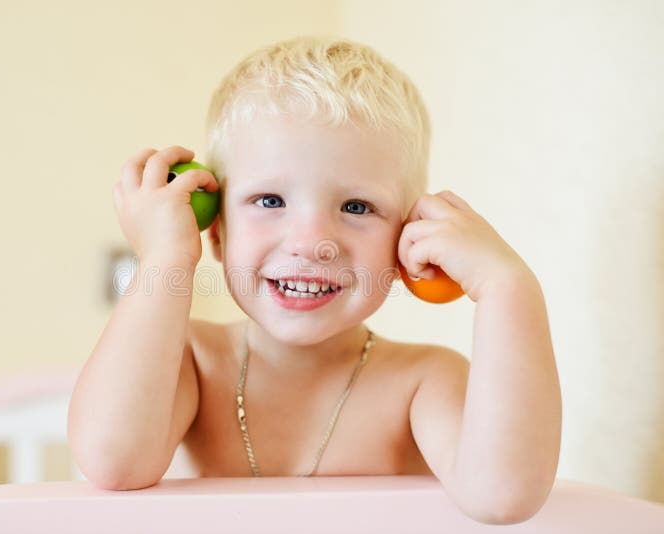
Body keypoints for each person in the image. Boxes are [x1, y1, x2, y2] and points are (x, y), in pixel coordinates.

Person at [67, 35, 562, 525]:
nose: (310, 242)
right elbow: (114, 461)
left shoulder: (424, 382)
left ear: (406, 238)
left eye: (355, 206)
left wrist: (506, 288)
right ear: (216, 230)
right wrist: (165, 255)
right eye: (270, 201)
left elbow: (504, 495)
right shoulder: (191, 360)